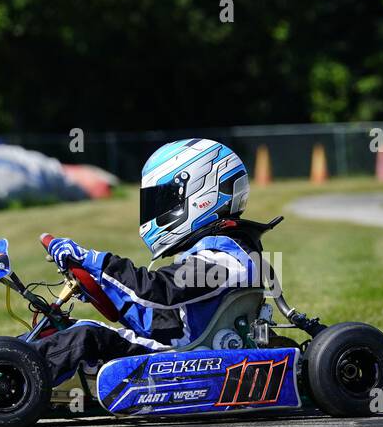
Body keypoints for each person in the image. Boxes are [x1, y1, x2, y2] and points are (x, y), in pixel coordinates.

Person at [36, 138, 267, 385]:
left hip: (186, 358)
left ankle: (19, 376)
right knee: (66, 329)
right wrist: (102, 288)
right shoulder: (221, 253)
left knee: (86, 336)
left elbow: (158, 290)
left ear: (204, 194)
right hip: (183, 345)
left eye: (167, 199)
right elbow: (161, 319)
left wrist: (97, 262)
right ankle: (9, 362)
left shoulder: (225, 260)